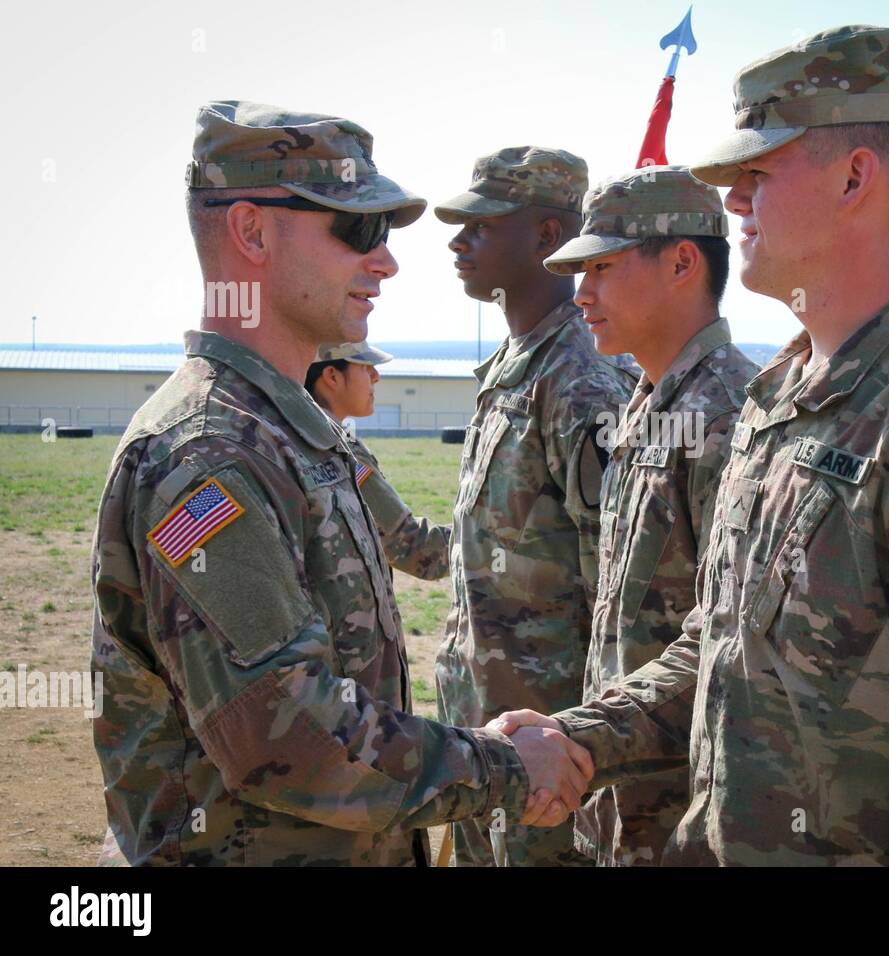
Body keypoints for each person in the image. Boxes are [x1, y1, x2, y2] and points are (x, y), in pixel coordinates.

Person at [494, 25, 889, 866]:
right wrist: (580, 737)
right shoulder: (779, 401)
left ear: (855, 177)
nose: (732, 200)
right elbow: (718, 646)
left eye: (758, 172)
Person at [90, 101, 592, 866]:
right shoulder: (207, 455)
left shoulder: (287, 433)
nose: (386, 261)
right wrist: (505, 767)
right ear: (252, 232)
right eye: (357, 231)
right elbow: (289, 735)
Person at [541, 166, 758, 864]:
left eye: (602, 267)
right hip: (625, 801)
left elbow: (731, 646)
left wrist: (583, 738)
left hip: (687, 813)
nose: (582, 294)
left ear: (682, 263)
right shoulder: (649, 404)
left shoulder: (728, 414)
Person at [432, 146, 637, 865]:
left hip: (546, 744)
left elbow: (614, 584)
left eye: (481, 225)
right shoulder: (515, 365)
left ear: (548, 237)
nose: (459, 241)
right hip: (481, 731)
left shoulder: (581, 376)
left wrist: (582, 737)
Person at [307, 341, 449, 579]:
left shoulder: (293, 434)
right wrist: (494, 540)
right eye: (365, 367)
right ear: (332, 376)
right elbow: (415, 549)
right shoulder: (339, 449)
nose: (376, 376)